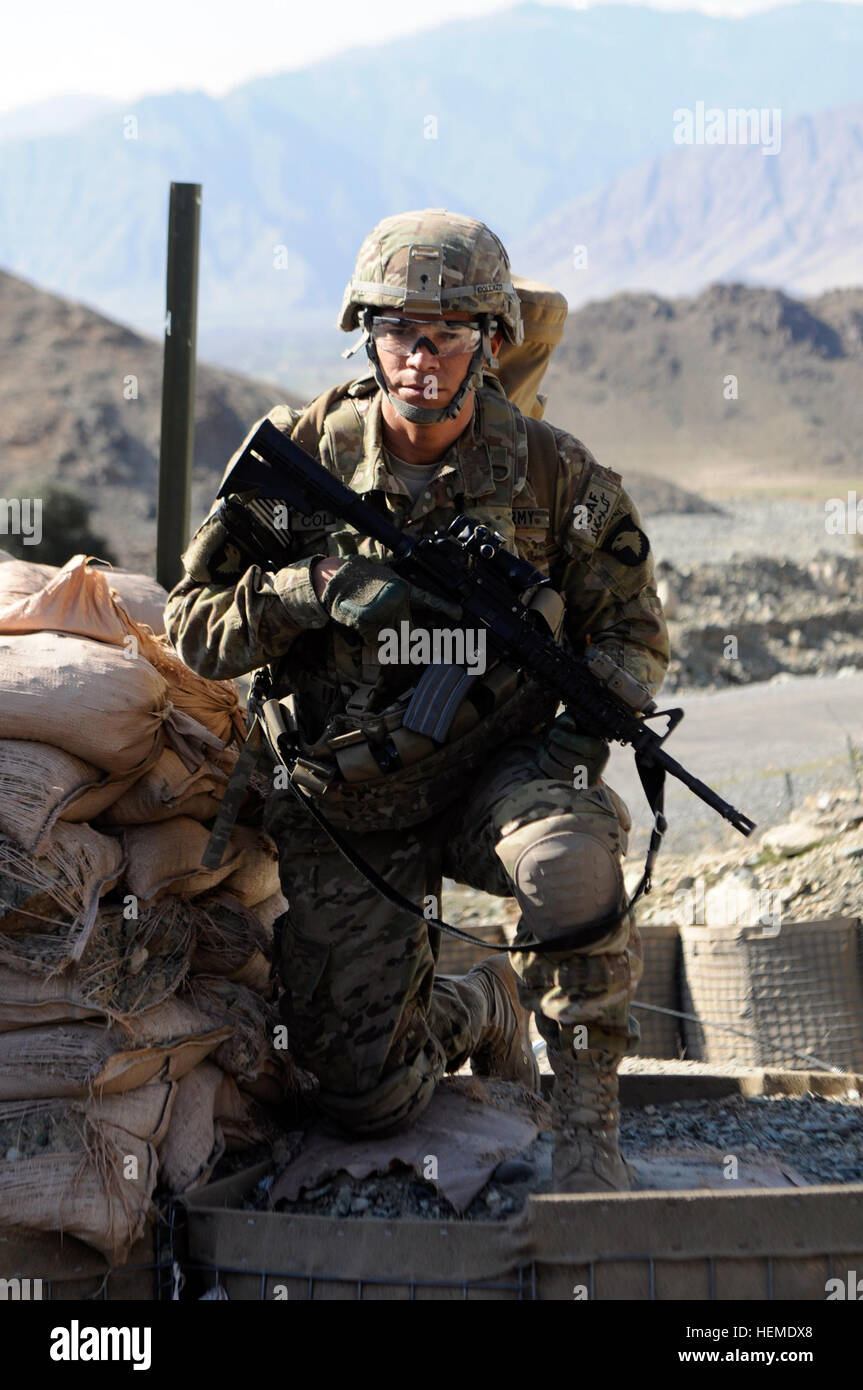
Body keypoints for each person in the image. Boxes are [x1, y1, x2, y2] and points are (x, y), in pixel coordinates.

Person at [164, 209, 670, 1192]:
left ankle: (585, 1136)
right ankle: (478, 996)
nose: (421, 356)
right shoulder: (301, 456)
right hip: (347, 800)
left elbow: (633, 631)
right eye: (400, 331)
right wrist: (304, 591)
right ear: (367, 334)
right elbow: (190, 624)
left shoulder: (549, 473)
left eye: (447, 333)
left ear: (488, 341)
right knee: (359, 1096)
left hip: (502, 771)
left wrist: (584, 717)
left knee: (569, 864)